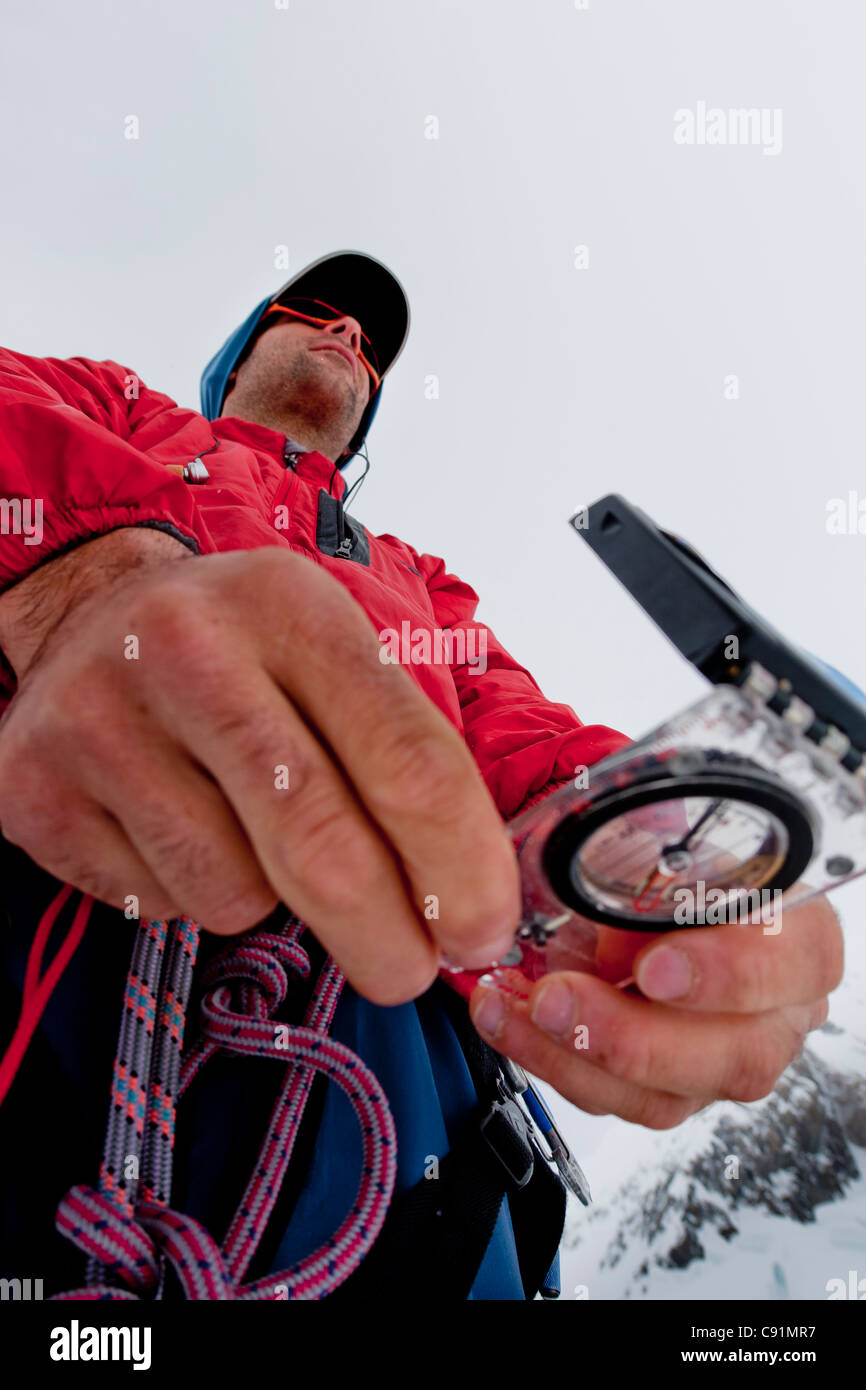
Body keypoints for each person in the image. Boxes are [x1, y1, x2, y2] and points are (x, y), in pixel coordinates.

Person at [0, 252, 842, 1301]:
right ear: (230, 362)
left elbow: (513, 731)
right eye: (309, 313)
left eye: (368, 343)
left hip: (405, 1089)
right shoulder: (116, 410)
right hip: (62, 945)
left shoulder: (415, 582)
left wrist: (648, 856)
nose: (346, 335)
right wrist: (82, 581)